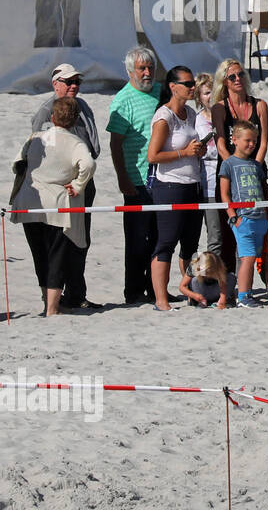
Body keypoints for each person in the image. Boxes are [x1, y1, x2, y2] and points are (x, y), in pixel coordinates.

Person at [9, 97, 95, 317]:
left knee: (40, 256)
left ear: (52, 117)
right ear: (75, 120)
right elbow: (89, 164)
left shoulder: (36, 137)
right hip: (56, 205)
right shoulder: (76, 142)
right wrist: (77, 185)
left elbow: (17, 162)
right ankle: (52, 308)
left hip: (29, 203)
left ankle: (46, 304)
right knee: (56, 256)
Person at [31, 63, 101, 309]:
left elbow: (94, 148)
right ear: (55, 84)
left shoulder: (83, 108)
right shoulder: (45, 111)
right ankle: (53, 298)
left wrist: (79, 179)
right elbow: (37, 152)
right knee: (55, 243)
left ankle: (77, 294)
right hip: (56, 189)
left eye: (77, 82)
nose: (73, 86)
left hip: (82, 184)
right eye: (68, 81)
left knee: (81, 239)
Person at [107, 46, 164, 304]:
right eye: (142, 68)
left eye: (150, 67)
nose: (147, 72)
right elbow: (115, 144)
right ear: (131, 71)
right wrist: (122, 178)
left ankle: (155, 289)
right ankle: (133, 291)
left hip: (162, 178)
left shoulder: (160, 91)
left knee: (159, 237)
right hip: (136, 180)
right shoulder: (122, 100)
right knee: (137, 240)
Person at [147, 65, 206, 311]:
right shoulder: (164, 116)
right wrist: (184, 152)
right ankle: (161, 300)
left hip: (193, 184)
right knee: (166, 243)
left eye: (193, 83)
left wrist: (199, 150)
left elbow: (194, 147)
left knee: (190, 244)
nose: (193, 87)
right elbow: (153, 156)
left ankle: (190, 293)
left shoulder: (191, 113)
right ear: (173, 87)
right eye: (188, 84)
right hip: (170, 185)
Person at [211, 59, 268, 268]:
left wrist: (253, 168)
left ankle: (265, 280)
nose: (238, 79)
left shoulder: (259, 105)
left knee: (261, 228)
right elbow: (220, 144)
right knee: (228, 231)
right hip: (229, 172)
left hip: (256, 171)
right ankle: (229, 281)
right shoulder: (219, 108)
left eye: (241, 74)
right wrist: (236, 167)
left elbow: (263, 142)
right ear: (224, 82)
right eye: (232, 77)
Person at [220, 120, 268, 308]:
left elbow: (263, 191)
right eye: (247, 140)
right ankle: (243, 296)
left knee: (255, 258)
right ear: (234, 140)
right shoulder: (229, 164)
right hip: (243, 218)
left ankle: (249, 292)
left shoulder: (256, 165)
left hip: (260, 218)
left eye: (254, 141)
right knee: (247, 258)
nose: (251, 144)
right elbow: (224, 194)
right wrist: (233, 217)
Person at [191, 72, 222, 256]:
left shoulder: (226, 116)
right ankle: (215, 280)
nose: (210, 97)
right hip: (209, 184)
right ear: (199, 97)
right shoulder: (197, 120)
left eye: (213, 91)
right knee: (215, 235)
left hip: (229, 180)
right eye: (206, 93)